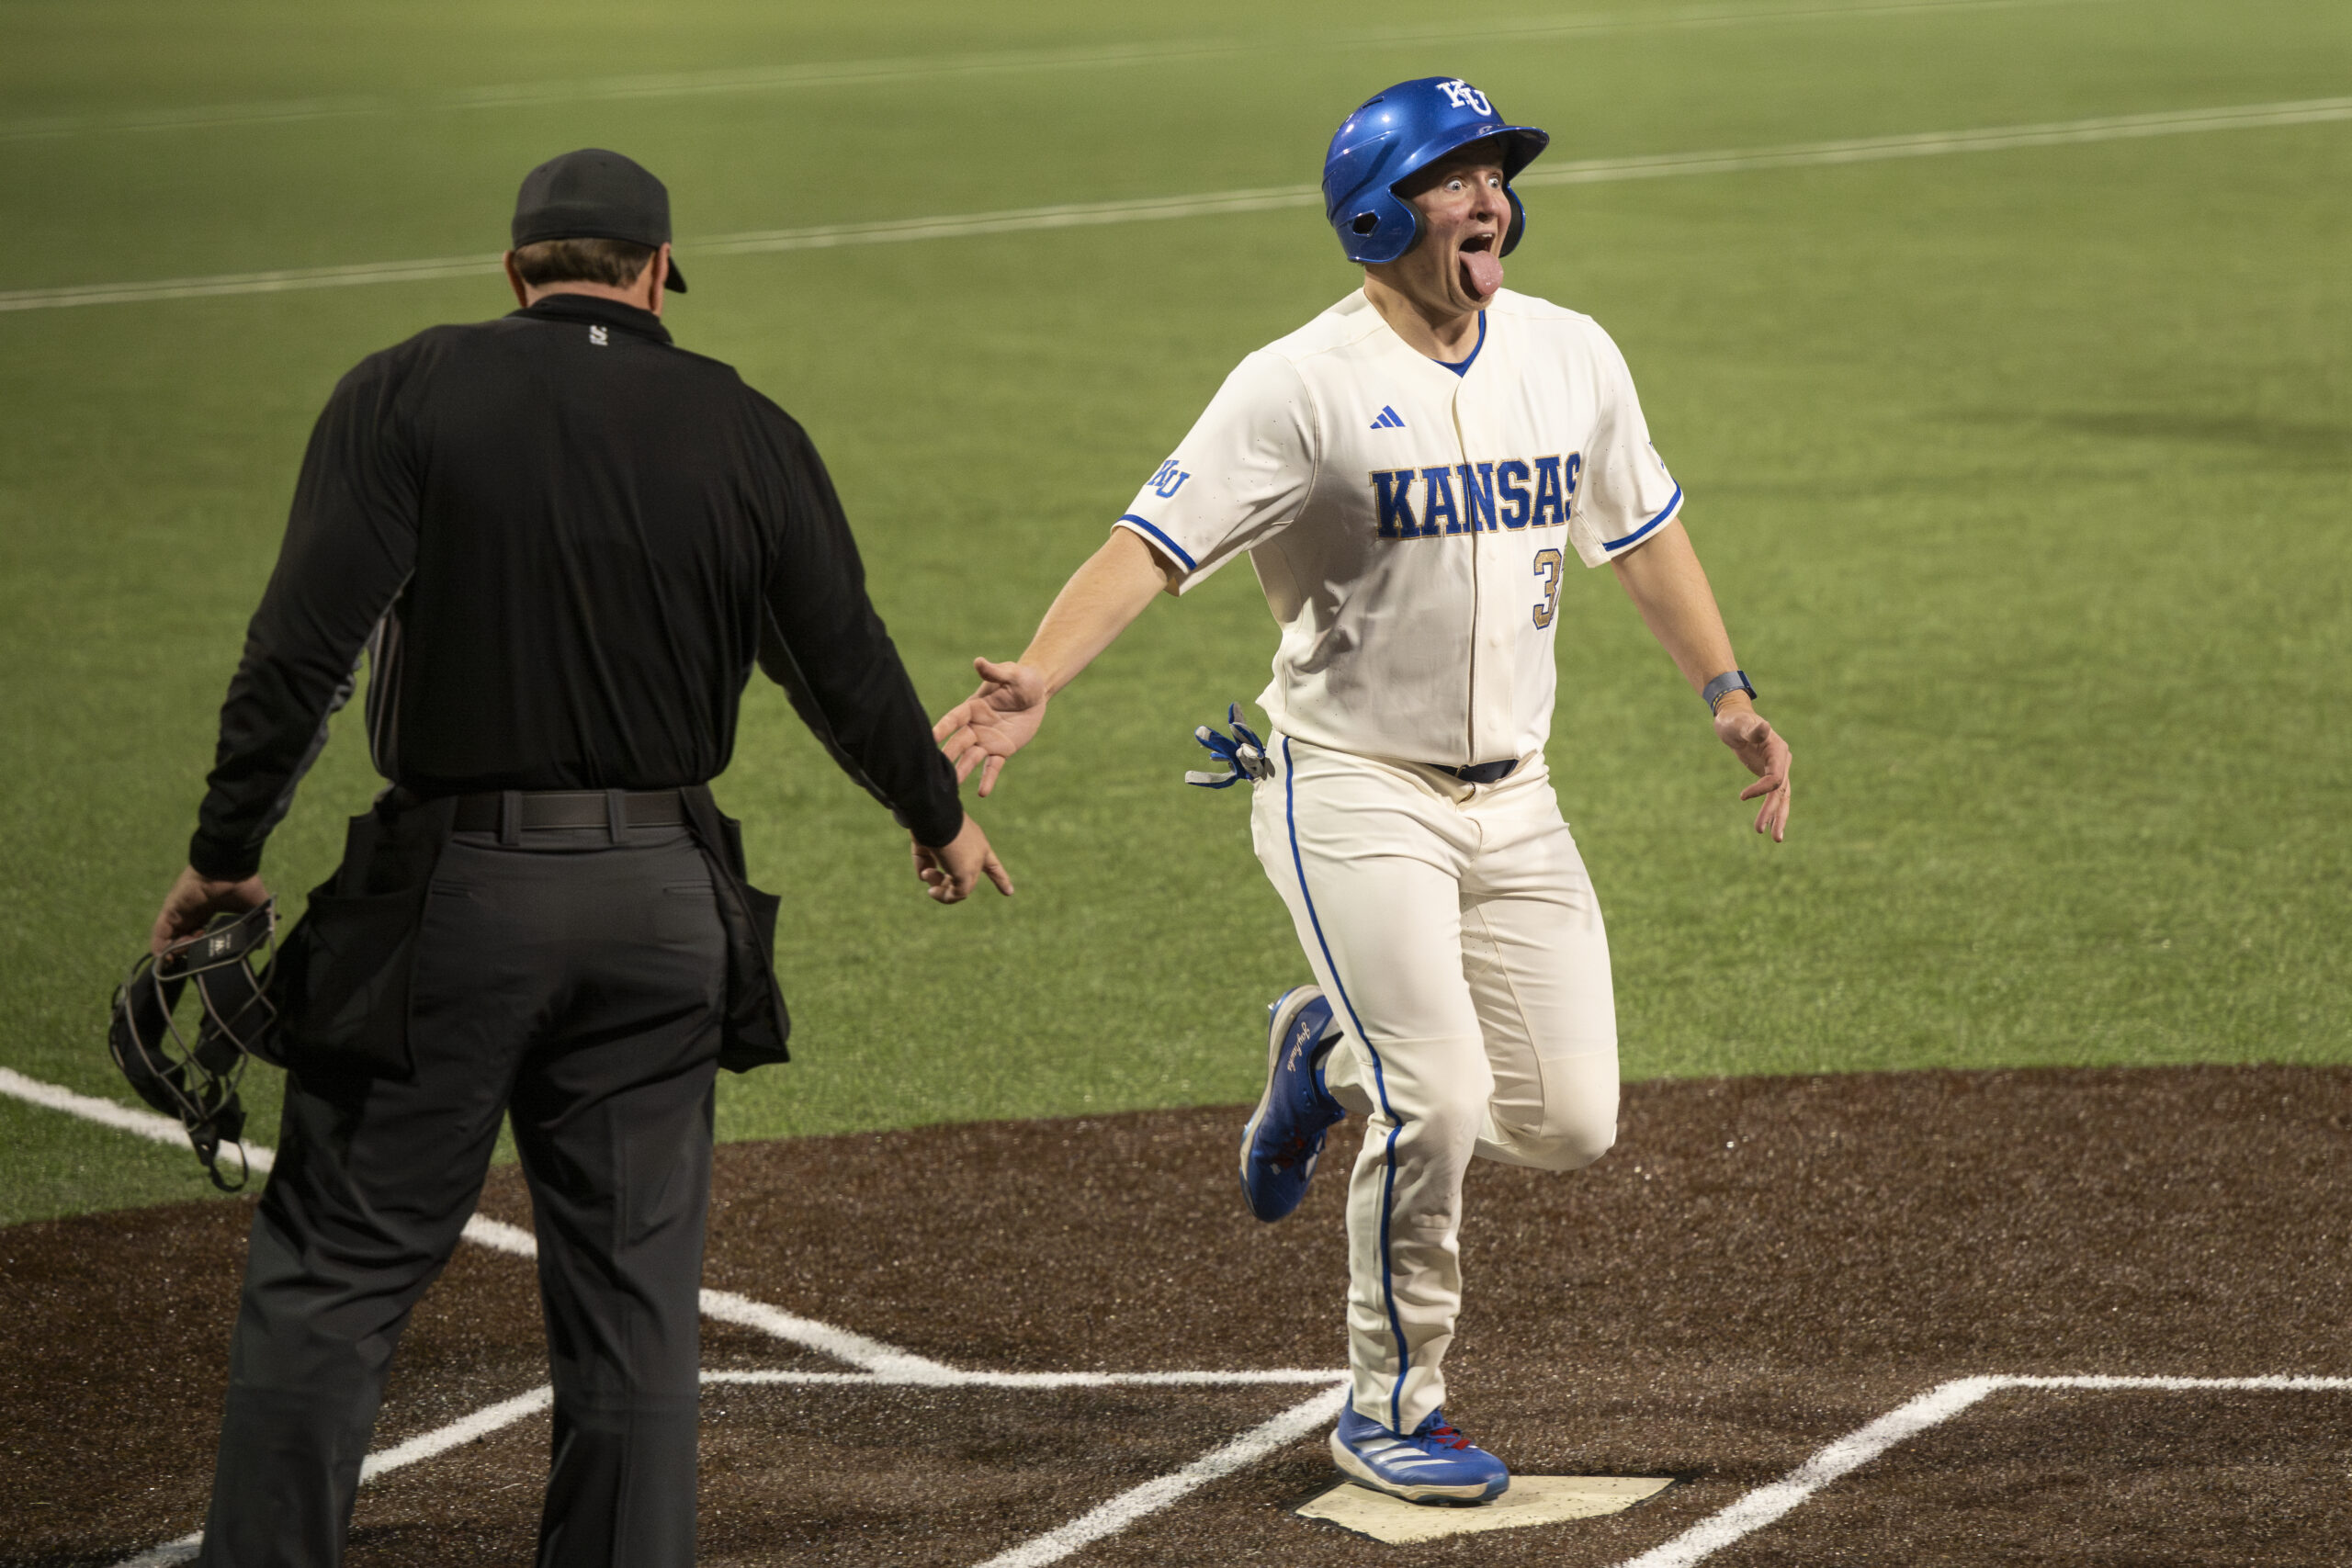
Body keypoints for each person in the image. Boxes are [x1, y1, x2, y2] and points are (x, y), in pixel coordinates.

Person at [933, 79, 1790, 1506]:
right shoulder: (1298, 384)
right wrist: (1040, 676)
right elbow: (1152, 543)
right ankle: (1392, 1403)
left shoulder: (1569, 355)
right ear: (1383, 211)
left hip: (1519, 797)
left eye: (1499, 177)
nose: (1494, 201)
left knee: (1573, 1123)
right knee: (1440, 1096)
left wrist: (1729, 692)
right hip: (1347, 789)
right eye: (1461, 179)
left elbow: (1642, 533)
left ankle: (1321, 1053)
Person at [148, 147, 1007, 1567]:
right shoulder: (746, 425)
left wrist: (226, 854)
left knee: (337, 1280)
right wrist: (936, 811)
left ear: (514, 271)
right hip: (669, 909)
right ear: (661, 273)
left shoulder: (408, 390)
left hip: (454, 903)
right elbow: (839, 662)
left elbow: (299, 654)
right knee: (631, 1308)